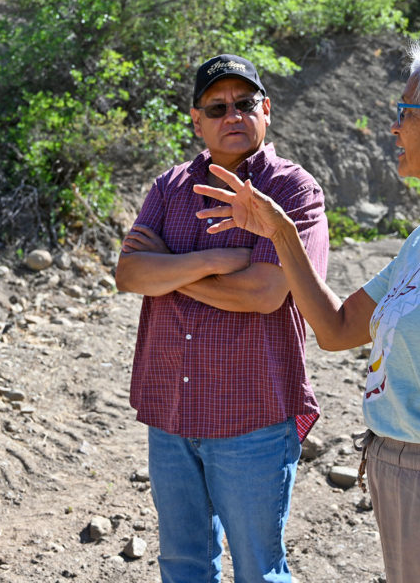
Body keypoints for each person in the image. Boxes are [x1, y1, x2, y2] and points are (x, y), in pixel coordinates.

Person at [194, 31, 420, 583]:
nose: (394, 127)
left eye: (406, 112)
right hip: (418, 474)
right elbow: (337, 328)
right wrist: (281, 233)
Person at [114, 54, 329, 582]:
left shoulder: (293, 190)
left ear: (266, 110)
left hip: (252, 415)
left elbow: (264, 293)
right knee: (183, 563)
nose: (232, 115)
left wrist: (168, 268)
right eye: (216, 107)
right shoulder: (170, 187)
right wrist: (214, 260)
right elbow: (129, 274)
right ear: (197, 120)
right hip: (171, 410)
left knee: (259, 570)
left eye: (244, 103)